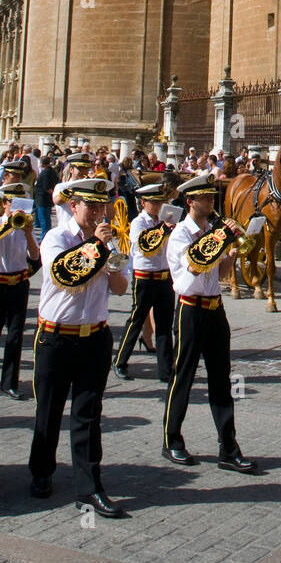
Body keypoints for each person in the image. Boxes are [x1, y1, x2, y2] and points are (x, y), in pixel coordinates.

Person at [28, 177, 129, 518]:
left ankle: (90, 488)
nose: (99, 212)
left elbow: (118, 287)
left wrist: (112, 260)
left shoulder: (107, 242)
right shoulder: (57, 238)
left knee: (88, 414)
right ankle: (41, 472)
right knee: (50, 410)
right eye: (92, 206)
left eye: (102, 206)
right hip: (57, 337)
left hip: (95, 337)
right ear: (74, 206)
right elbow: (65, 273)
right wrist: (98, 249)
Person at [162, 174, 258, 473]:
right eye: (205, 197)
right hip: (190, 310)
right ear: (190, 202)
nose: (211, 201)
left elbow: (218, 274)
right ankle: (172, 440)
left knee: (221, 379)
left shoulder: (210, 230)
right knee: (184, 376)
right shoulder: (180, 235)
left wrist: (231, 253)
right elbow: (194, 264)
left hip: (215, 309)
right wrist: (219, 238)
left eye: (212, 196)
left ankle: (228, 448)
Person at [0, 182, 40, 398]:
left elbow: (34, 257)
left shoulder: (26, 225)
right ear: (4, 204)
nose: (16, 208)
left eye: (20, 203)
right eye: (12, 203)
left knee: (15, 335)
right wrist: (8, 224)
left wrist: (29, 233)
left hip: (19, 284)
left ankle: (10, 382)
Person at [114, 182, 177, 384]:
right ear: (143, 203)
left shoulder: (165, 221)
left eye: (161, 201)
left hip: (164, 276)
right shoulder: (138, 223)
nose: (159, 206)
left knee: (165, 325)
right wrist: (164, 230)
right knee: (136, 319)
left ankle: (166, 369)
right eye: (154, 202)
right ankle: (120, 362)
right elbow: (144, 245)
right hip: (144, 277)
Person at [33, 155, 60, 243]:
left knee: (44, 221)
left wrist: (52, 193)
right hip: (46, 200)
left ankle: (44, 239)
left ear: (41, 163)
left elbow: (46, 187)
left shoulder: (45, 173)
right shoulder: (52, 171)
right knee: (46, 220)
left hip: (42, 199)